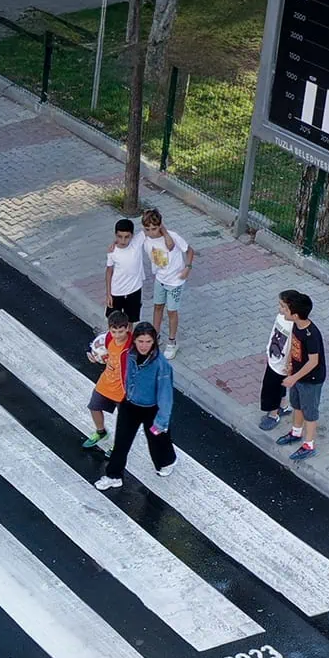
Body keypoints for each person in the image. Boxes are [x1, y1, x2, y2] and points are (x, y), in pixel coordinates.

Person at [96, 322, 175, 490]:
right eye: (140, 341)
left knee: (156, 438)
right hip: (130, 405)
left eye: (148, 341)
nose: (144, 346)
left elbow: (166, 396)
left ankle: (167, 460)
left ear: (154, 341)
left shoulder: (162, 366)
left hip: (151, 410)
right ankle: (113, 475)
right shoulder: (130, 354)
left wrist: (161, 421)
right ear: (135, 341)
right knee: (122, 442)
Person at [275, 291, 326, 461]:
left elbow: (313, 362)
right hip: (297, 374)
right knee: (297, 404)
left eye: (284, 308)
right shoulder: (297, 325)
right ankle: (296, 432)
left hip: (310, 380)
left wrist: (294, 377)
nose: (281, 310)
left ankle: (309, 444)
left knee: (309, 412)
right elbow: (294, 345)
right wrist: (290, 362)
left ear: (295, 314)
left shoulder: (311, 335)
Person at [140, 209, 193, 357]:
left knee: (171, 311)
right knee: (157, 307)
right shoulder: (146, 239)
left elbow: (187, 250)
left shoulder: (172, 236)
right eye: (148, 229)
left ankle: (172, 341)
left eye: (155, 228)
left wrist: (187, 268)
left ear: (160, 226)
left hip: (175, 281)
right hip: (160, 279)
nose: (151, 232)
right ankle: (155, 336)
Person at [82, 309, 133, 452]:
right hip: (106, 383)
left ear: (127, 328)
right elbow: (95, 345)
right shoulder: (108, 338)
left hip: (123, 390)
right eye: (114, 331)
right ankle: (101, 432)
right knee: (94, 407)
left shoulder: (132, 346)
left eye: (120, 332)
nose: (117, 336)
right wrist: (91, 354)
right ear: (109, 329)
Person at [259, 290, 298, 431]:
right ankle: (284, 406)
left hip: (281, 364)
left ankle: (273, 415)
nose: (279, 308)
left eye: (282, 306)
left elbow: (291, 348)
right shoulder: (281, 317)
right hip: (274, 358)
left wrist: (289, 364)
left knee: (271, 389)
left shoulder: (293, 326)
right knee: (279, 386)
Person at [103, 218, 148, 326]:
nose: (123, 240)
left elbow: (151, 224)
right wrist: (108, 294)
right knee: (113, 321)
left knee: (130, 321)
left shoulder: (137, 242)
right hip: (117, 291)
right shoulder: (112, 251)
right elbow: (109, 271)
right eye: (119, 237)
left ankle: (128, 342)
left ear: (132, 235)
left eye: (127, 237)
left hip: (134, 290)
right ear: (115, 235)